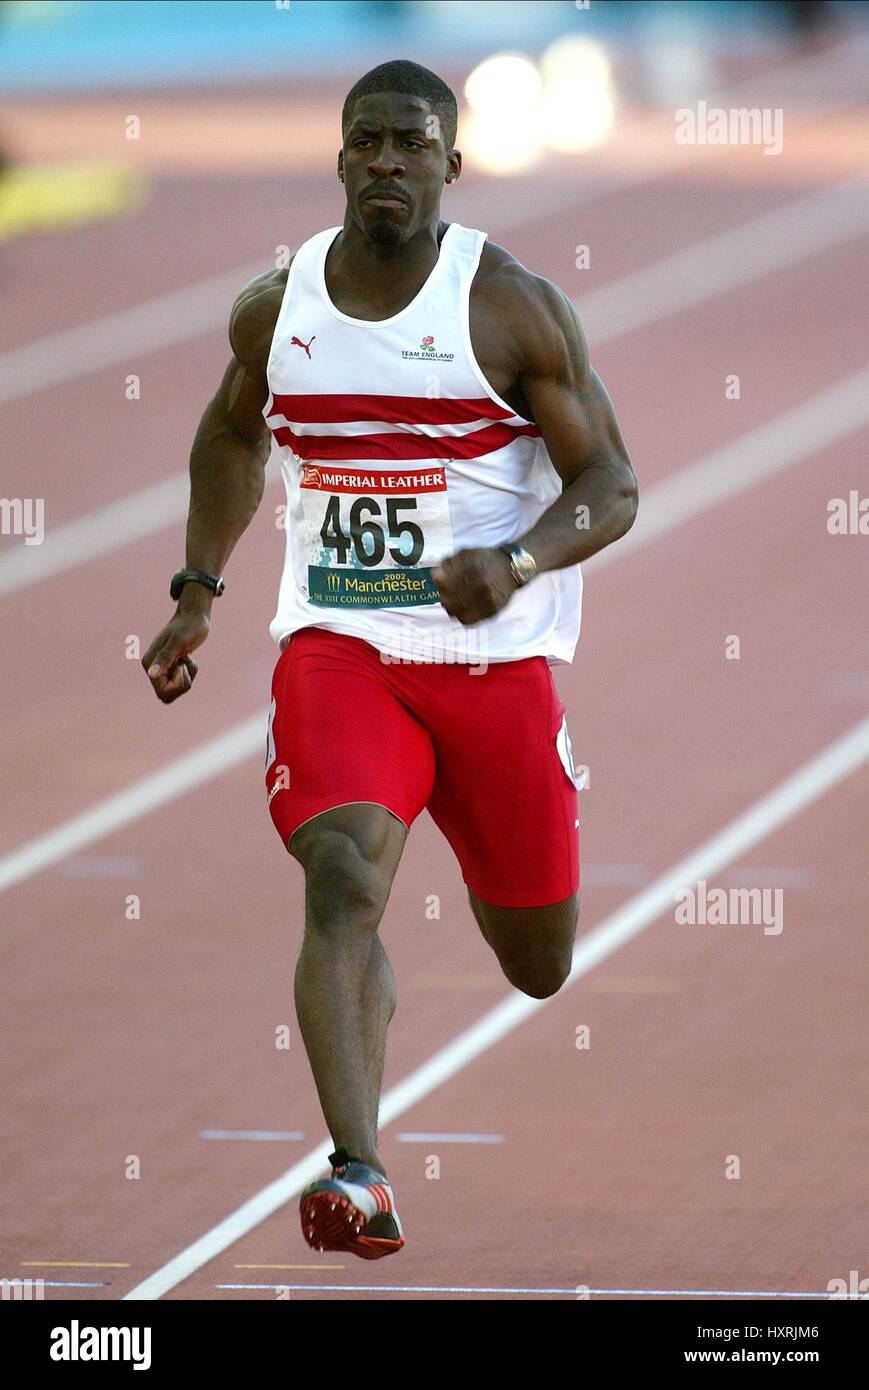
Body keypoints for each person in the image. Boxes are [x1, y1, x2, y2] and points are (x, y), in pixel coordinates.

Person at [142, 60, 638, 1260]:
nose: (385, 161)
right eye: (367, 140)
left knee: (537, 961)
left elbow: (610, 483)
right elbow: (229, 436)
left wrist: (515, 561)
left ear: (450, 166)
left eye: (411, 143)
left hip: (491, 662)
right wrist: (198, 590)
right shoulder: (278, 307)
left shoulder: (508, 307)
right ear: (338, 156)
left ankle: (405, 964)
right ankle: (357, 1170)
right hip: (342, 644)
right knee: (342, 875)